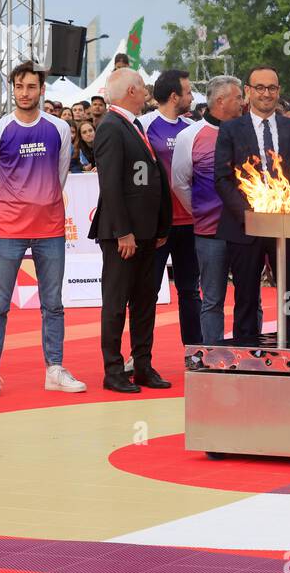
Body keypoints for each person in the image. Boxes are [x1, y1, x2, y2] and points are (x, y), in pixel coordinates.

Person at [0, 62, 84, 397]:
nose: (25, 93)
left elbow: (61, 173)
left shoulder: (58, 129)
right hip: (8, 230)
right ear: (13, 88)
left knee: (53, 303)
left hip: (50, 228)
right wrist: (12, 208)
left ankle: (54, 369)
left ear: (42, 89)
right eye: (20, 86)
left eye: (31, 87)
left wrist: (42, 202)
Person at [89, 68, 172, 394]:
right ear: (130, 92)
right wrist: (123, 232)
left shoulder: (133, 125)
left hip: (147, 232)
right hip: (123, 235)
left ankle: (142, 365)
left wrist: (159, 226)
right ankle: (113, 370)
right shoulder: (111, 126)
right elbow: (109, 184)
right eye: (141, 87)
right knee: (116, 302)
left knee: (144, 302)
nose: (146, 91)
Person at [216, 66, 290, 342]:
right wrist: (249, 215)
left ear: (278, 92)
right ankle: (246, 350)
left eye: (271, 88)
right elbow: (222, 179)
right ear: (248, 91)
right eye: (259, 87)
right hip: (244, 225)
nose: (266, 94)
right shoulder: (231, 129)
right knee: (246, 294)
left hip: (286, 224)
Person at [172, 75, 244, 345]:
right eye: (238, 97)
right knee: (212, 299)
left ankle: (252, 352)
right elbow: (180, 182)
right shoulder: (189, 135)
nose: (243, 102)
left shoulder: (246, 130)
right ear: (221, 101)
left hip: (246, 231)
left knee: (250, 297)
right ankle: (212, 355)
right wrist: (201, 212)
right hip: (209, 232)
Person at [139, 70, 204, 357]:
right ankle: (140, 357)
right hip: (157, 226)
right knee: (147, 293)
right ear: (174, 96)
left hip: (190, 223)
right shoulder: (144, 125)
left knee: (190, 291)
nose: (192, 97)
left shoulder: (192, 127)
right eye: (188, 92)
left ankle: (195, 351)